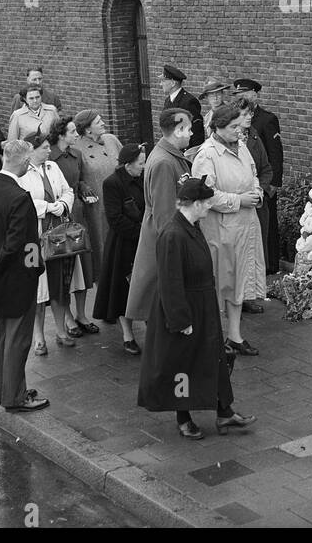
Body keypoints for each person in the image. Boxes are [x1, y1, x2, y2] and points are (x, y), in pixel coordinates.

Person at [137, 175, 255, 440]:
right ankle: (183, 418)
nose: (208, 206)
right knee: (184, 365)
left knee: (211, 359)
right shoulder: (173, 234)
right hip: (185, 312)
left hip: (202, 307)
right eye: (206, 202)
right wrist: (181, 320)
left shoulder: (189, 227)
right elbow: (170, 282)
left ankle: (225, 411)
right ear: (194, 204)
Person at [0, 139, 49, 412]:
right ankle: (14, 397)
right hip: (17, 279)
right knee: (18, 340)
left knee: (3, 337)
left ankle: (9, 391)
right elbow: (23, 245)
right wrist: (35, 268)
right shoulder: (19, 198)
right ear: (25, 162)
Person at [192, 102, 265, 357]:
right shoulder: (207, 155)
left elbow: (253, 174)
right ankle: (213, 337)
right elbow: (205, 195)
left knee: (239, 283)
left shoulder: (242, 147)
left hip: (246, 225)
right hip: (222, 230)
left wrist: (257, 193)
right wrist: (239, 201)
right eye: (234, 127)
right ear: (218, 128)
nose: (239, 131)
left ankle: (234, 336)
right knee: (221, 283)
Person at [125, 109, 194, 323]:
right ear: (178, 130)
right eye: (189, 129)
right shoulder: (164, 162)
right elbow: (165, 215)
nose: (192, 133)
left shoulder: (170, 156)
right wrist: (177, 251)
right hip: (165, 241)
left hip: (169, 237)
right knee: (161, 305)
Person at [21, 131, 80, 355]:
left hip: (58, 236)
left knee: (58, 284)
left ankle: (61, 330)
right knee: (35, 286)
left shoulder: (52, 167)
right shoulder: (22, 171)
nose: (49, 150)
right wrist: (46, 207)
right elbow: (20, 199)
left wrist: (63, 204)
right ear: (32, 150)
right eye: (45, 147)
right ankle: (38, 336)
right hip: (32, 239)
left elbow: (68, 190)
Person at [94, 143, 147, 353]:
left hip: (144, 240)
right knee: (123, 289)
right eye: (140, 163)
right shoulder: (112, 183)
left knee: (146, 285)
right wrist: (141, 230)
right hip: (124, 244)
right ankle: (127, 334)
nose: (143, 167)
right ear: (128, 164)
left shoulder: (142, 179)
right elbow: (114, 218)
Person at [48, 115, 97, 335]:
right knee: (65, 269)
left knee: (83, 266)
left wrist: (84, 187)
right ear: (61, 135)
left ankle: (82, 314)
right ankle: (67, 318)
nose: (77, 135)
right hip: (59, 218)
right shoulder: (49, 156)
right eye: (73, 132)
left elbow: (79, 181)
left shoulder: (76, 154)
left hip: (78, 214)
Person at [73, 109, 120, 325]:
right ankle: (107, 305)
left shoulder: (111, 140)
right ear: (86, 128)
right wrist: (82, 186)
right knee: (103, 253)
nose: (103, 123)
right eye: (98, 121)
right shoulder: (77, 147)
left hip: (120, 203)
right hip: (97, 208)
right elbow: (76, 176)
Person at [234, 79, 283, 271]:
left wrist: (272, 185)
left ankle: (271, 264)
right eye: (239, 95)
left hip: (265, 185)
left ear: (255, 95)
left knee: (268, 225)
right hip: (248, 189)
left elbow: (275, 153)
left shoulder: (266, 120)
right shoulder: (236, 121)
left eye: (246, 94)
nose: (242, 97)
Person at [236, 104, 272, 315]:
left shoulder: (255, 137)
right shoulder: (229, 142)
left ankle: (250, 296)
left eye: (250, 113)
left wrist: (262, 192)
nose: (249, 117)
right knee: (240, 252)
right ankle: (236, 298)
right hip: (240, 205)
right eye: (244, 114)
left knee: (255, 251)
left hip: (257, 202)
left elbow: (266, 168)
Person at [160, 65, 203, 148]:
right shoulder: (168, 100)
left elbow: (196, 133)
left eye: (163, 81)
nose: (161, 83)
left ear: (173, 83)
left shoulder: (189, 102)